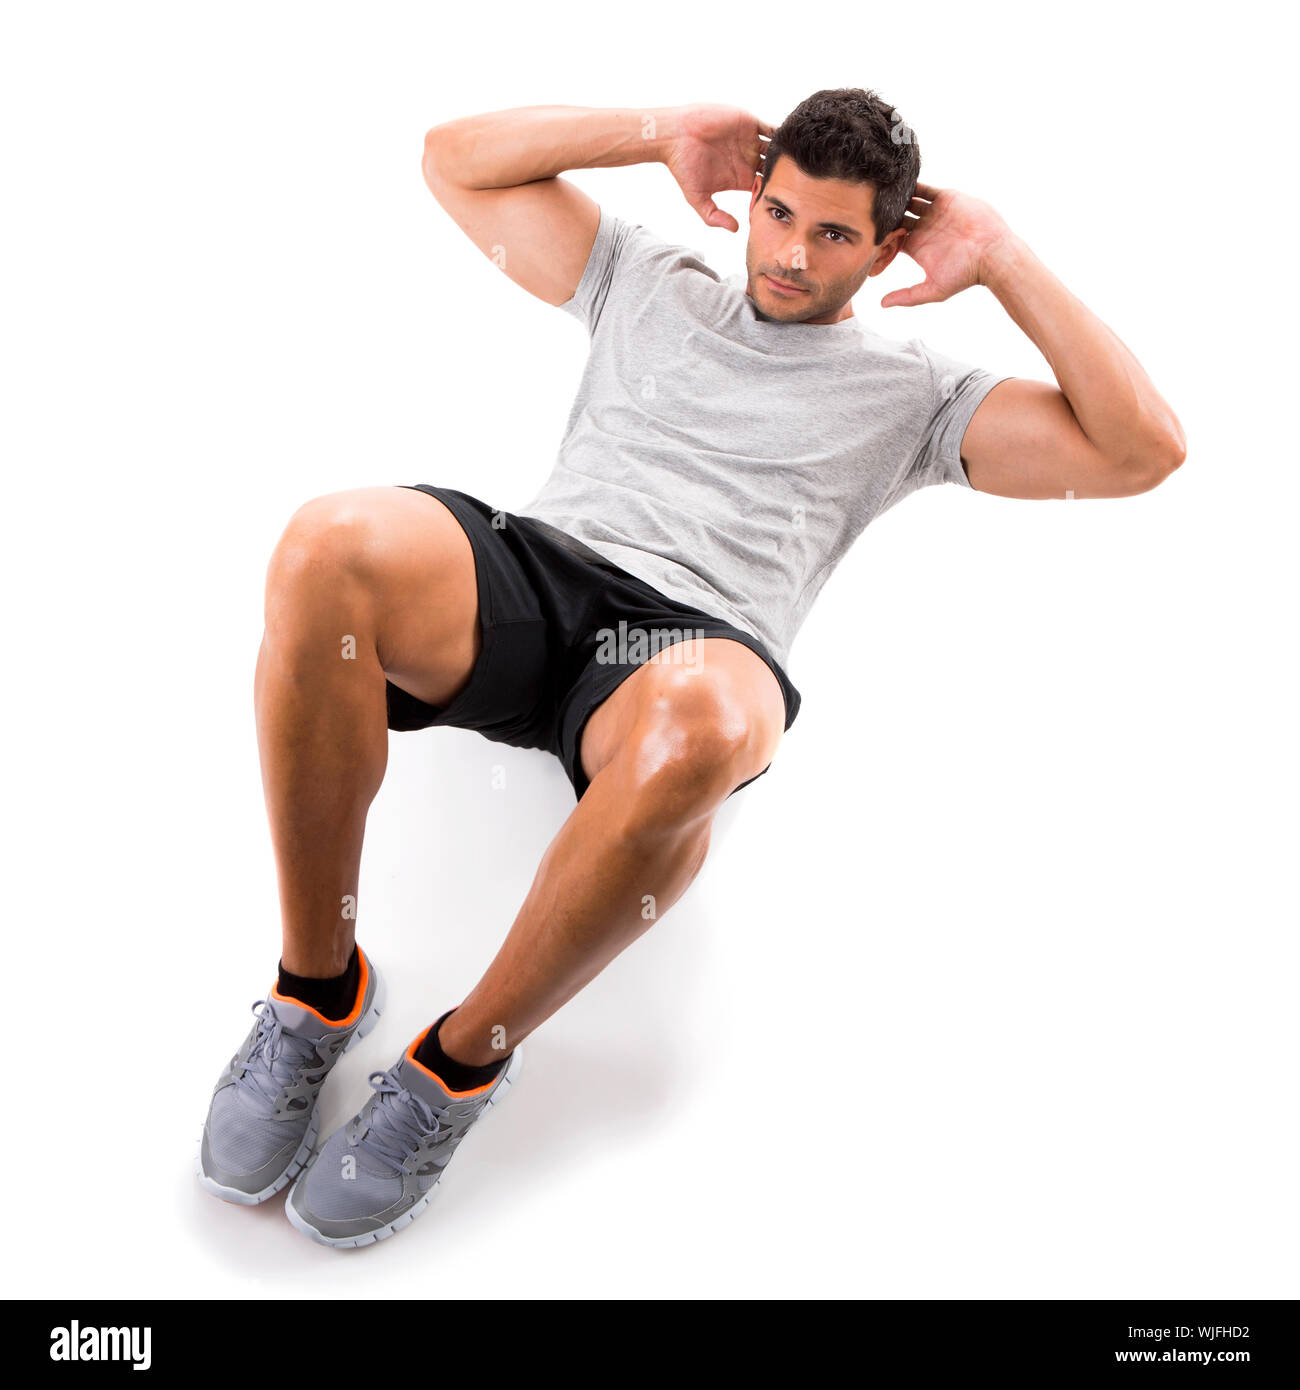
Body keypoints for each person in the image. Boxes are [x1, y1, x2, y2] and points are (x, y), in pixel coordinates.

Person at [196, 89, 1186, 1248]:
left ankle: (457, 1065)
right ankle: (316, 994)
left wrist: (1004, 256)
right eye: (778, 214)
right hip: (539, 581)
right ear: (753, 200)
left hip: (686, 650)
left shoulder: (916, 395)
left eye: (832, 235)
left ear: (885, 249)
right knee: (326, 548)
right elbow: (451, 160)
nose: (789, 253)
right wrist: (657, 128)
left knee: (705, 729)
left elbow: (1140, 451)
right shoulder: (647, 279)